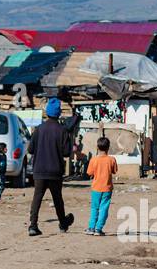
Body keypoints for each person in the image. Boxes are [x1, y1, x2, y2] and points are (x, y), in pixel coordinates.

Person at [26, 98, 76, 237]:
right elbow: (66, 153)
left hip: (39, 170)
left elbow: (30, 150)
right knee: (57, 199)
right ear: (58, 113)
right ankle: (63, 223)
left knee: (37, 198)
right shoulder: (62, 131)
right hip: (55, 171)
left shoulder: (38, 129)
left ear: (46, 113)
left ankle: (33, 225)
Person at [85, 135, 118, 236]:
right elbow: (115, 171)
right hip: (107, 188)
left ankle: (91, 228)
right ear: (108, 147)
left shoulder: (93, 160)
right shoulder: (112, 159)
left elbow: (89, 173)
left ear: (97, 147)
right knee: (104, 208)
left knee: (94, 208)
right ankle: (98, 229)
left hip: (96, 188)